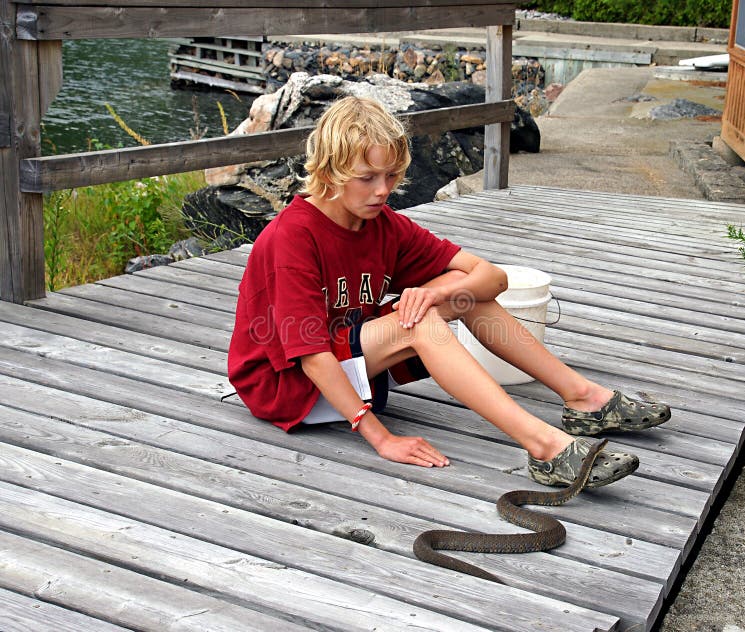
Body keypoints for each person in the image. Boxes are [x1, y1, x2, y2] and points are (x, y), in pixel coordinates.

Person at [228, 96, 671, 488]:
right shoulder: (294, 237)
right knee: (420, 320)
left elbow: (492, 278)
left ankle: (584, 399)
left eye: (391, 175)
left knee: (461, 293)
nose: (383, 191)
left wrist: (441, 295)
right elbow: (312, 357)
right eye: (366, 178)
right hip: (288, 387)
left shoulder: (381, 224)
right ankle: (546, 447)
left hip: (352, 366)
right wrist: (379, 437)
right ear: (329, 172)